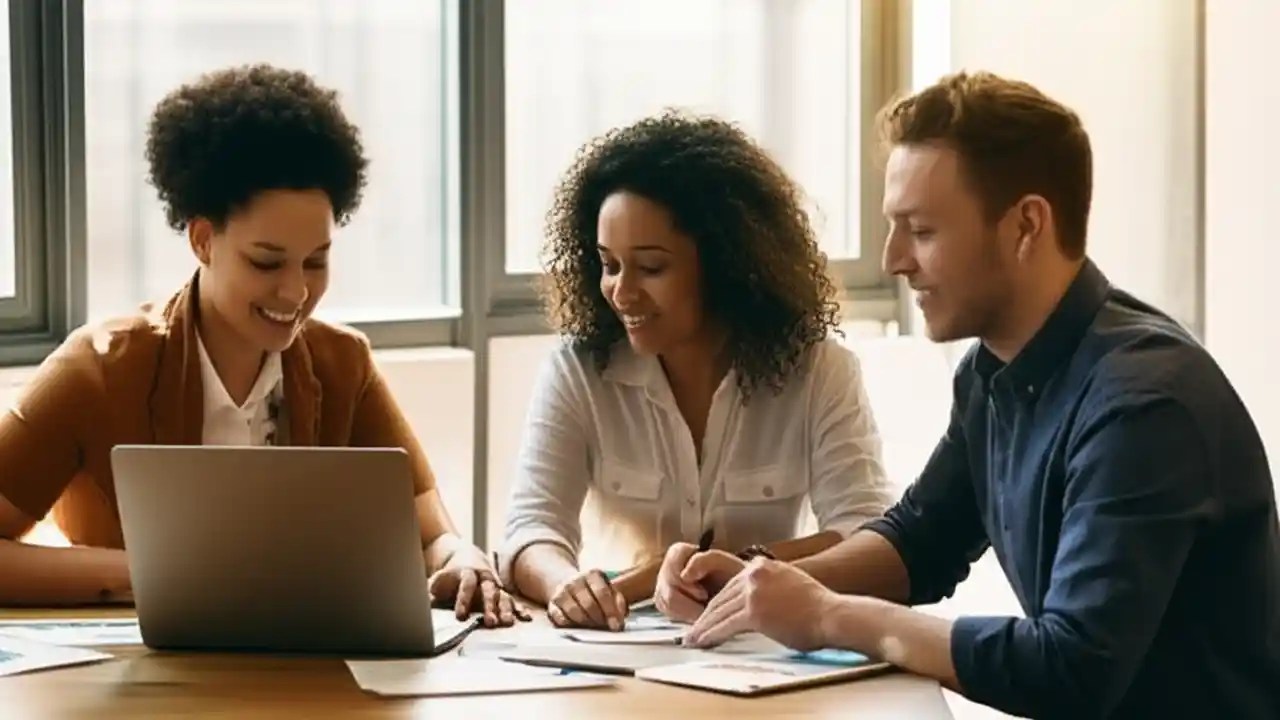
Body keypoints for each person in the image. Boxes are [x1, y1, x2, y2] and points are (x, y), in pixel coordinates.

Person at [670, 71, 1280, 718]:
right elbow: (920, 541)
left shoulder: (1144, 404)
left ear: (1026, 226)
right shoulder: (990, 371)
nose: (894, 260)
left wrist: (829, 616)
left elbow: (1071, 669)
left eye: (921, 230)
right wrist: (754, 584)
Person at [0, 64, 526, 627]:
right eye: (266, 262)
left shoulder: (342, 364)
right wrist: (152, 572)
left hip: (306, 663)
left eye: (315, 261)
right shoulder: (100, 368)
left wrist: (462, 559)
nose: (296, 292)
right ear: (203, 240)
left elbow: (433, 537)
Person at [500, 110, 895, 630]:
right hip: (620, 647)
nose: (621, 292)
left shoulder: (819, 370)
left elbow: (868, 534)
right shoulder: (578, 371)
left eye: (651, 267)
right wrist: (567, 587)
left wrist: (740, 568)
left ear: (725, 263)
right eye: (609, 265)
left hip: (766, 650)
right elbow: (531, 529)